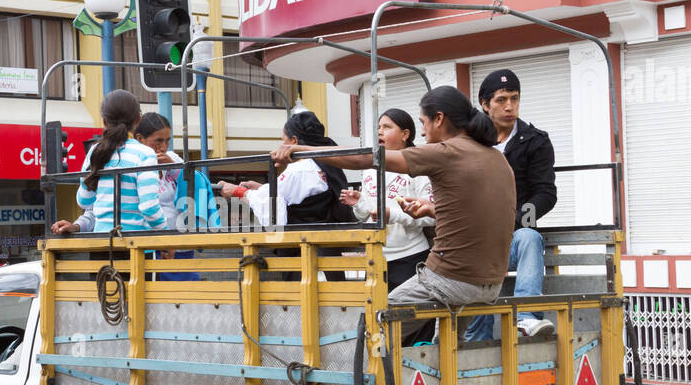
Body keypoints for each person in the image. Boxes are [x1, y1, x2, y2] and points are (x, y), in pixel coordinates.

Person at [272, 86, 513, 324]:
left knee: (373, 324)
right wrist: (431, 208)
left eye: (424, 122)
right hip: (490, 285)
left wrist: (302, 150)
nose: (423, 132)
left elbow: (365, 157)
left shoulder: (445, 152)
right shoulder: (497, 157)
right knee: (447, 347)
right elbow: (478, 211)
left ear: (439, 119)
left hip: (450, 279)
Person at [462, 68, 557, 339]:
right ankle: (470, 341)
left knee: (530, 237)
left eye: (514, 99)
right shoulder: (468, 141)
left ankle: (526, 316)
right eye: (501, 100)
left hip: (514, 234)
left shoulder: (536, 140)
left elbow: (546, 193)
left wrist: (515, 218)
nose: (509, 106)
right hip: (473, 242)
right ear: (484, 104)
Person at [340, 108, 433, 292]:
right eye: (379, 127)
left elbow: (431, 216)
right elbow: (364, 215)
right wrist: (359, 204)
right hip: (375, 256)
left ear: (405, 134)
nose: (380, 131)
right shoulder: (370, 168)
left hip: (410, 257)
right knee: (375, 317)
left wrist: (393, 215)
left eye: (387, 127)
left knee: (410, 318)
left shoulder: (418, 167)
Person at [215, 111, 355, 227]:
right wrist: (261, 187)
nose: (282, 144)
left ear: (294, 140)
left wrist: (238, 191)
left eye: (284, 140)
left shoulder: (300, 168)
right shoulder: (324, 164)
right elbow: (289, 192)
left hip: (304, 241)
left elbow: (271, 201)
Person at [60, 90, 165, 233]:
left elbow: (84, 200)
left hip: (101, 243)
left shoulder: (95, 151)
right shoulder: (145, 154)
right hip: (137, 244)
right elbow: (149, 208)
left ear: (104, 121)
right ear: (138, 119)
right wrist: (165, 233)